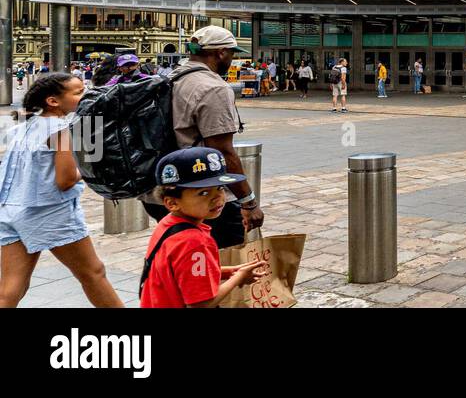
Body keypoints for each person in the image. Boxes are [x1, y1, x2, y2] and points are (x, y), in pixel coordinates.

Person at [0, 72, 124, 308]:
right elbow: (65, 180)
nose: (86, 94)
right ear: (53, 101)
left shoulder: (25, 127)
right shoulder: (63, 129)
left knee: (10, 289)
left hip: (10, 212)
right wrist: (87, 170)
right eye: (78, 92)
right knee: (93, 272)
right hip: (49, 213)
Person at [140, 26, 263, 249]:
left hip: (163, 191)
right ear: (221, 53)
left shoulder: (169, 77)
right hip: (200, 194)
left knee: (183, 256)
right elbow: (223, 152)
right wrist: (249, 202)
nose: (233, 59)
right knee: (222, 265)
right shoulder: (213, 87)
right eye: (233, 54)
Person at [139, 147, 266, 308]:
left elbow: (182, 271)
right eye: (203, 193)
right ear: (172, 203)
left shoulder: (168, 224)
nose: (217, 198)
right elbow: (201, 304)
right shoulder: (194, 242)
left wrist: (229, 271)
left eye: (220, 188)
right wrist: (238, 278)